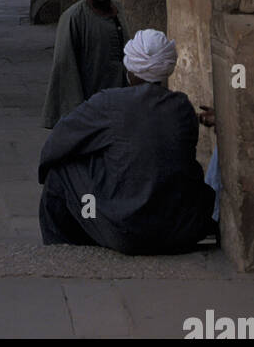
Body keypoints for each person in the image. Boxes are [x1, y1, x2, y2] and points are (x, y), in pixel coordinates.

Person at [38, 29, 218, 254]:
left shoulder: (108, 103)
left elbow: (57, 143)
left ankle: (61, 252)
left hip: (126, 234)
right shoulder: (182, 106)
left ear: (130, 68)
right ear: (166, 69)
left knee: (60, 170)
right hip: (181, 230)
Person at [41, 0, 129, 128]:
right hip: (91, 108)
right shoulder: (73, 18)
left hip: (120, 103)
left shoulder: (118, 9)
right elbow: (65, 68)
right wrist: (78, 116)